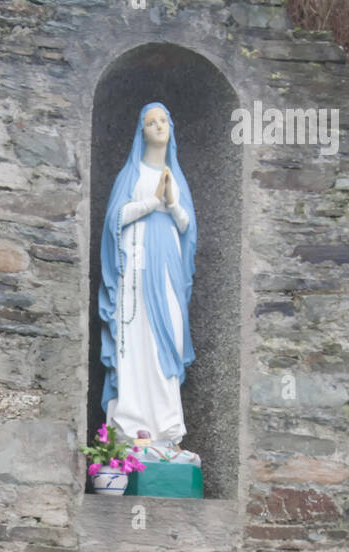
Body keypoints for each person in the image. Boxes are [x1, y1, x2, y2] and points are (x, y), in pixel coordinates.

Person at [98, 102, 199, 459]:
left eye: (163, 120)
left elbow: (187, 228)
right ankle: (130, 426)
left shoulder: (175, 176)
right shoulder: (132, 174)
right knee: (134, 340)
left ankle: (167, 429)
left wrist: (171, 203)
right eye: (150, 122)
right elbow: (115, 220)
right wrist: (150, 203)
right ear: (140, 131)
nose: (158, 126)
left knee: (165, 338)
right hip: (135, 270)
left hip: (167, 268)